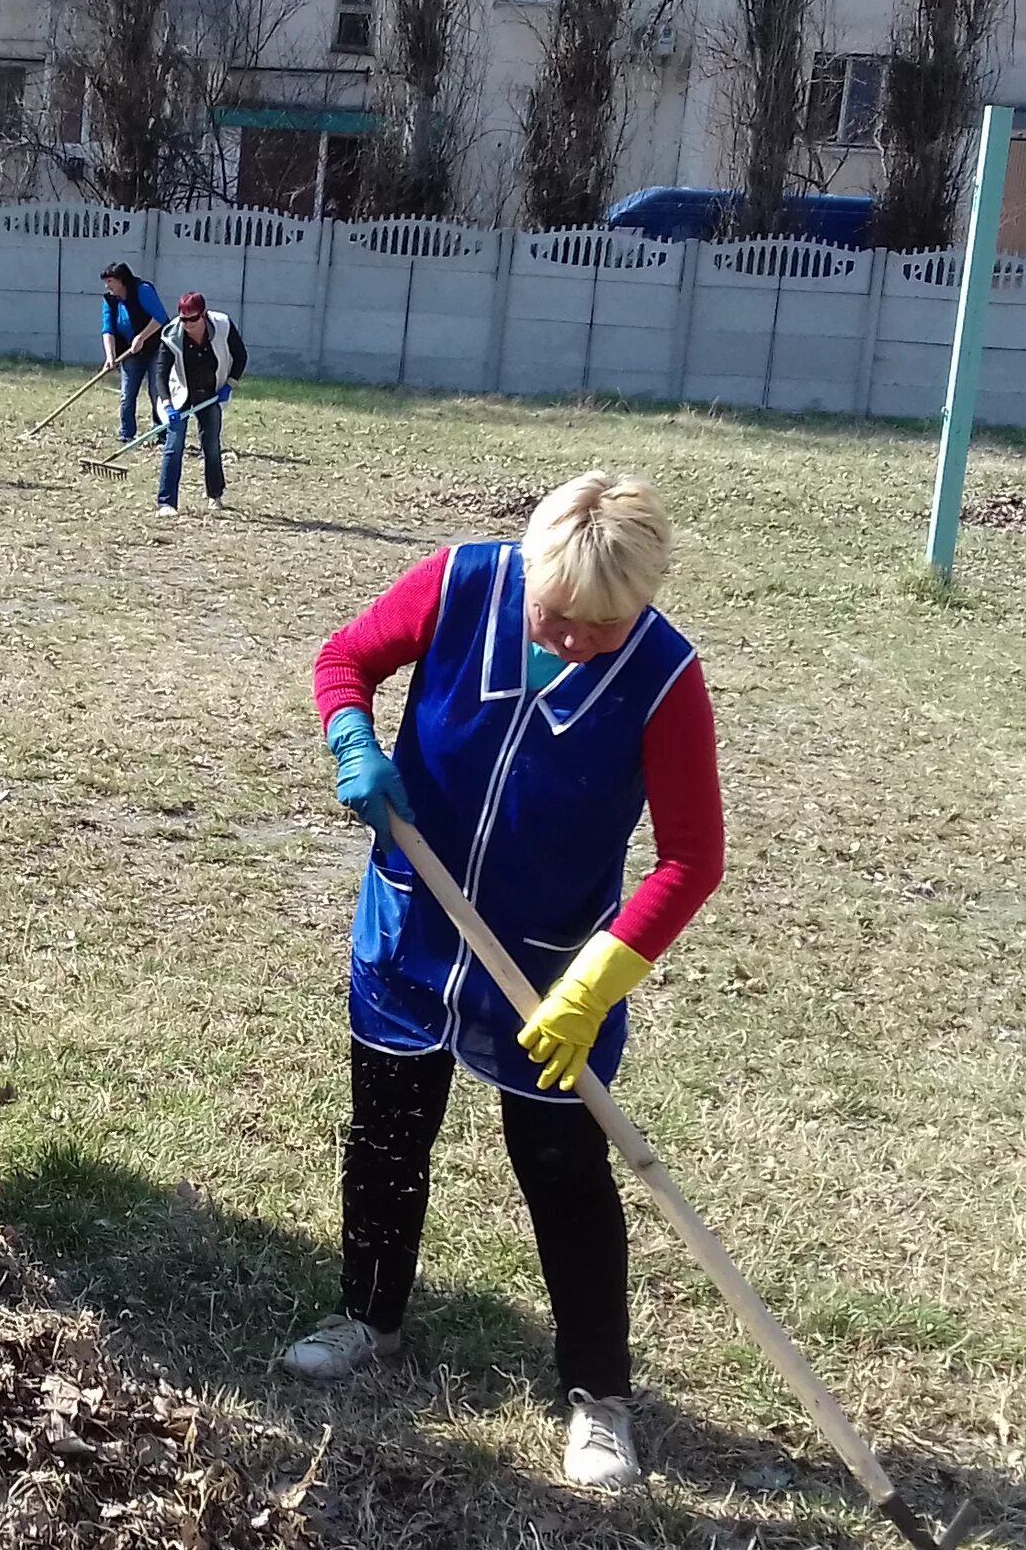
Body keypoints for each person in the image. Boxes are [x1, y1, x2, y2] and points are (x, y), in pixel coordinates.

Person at [284, 472, 725, 1497]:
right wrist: (352, 736)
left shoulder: (663, 675)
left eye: (599, 629)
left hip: (550, 965)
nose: (573, 640)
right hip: (412, 931)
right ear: (530, 574)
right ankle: (371, 1316)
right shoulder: (461, 582)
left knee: (563, 1173)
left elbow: (690, 857)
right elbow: (346, 658)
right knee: (388, 1132)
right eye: (556, 617)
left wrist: (598, 981)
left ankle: (599, 1395)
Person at [153, 291, 246, 518]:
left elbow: (240, 355)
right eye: (183, 319)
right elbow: (161, 374)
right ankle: (166, 503)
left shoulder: (223, 325)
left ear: (203, 315)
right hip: (180, 395)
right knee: (173, 448)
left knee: (211, 445)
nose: (187, 325)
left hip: (212, 393)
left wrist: (229, 385)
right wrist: (167, 405)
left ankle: (215, 495)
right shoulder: (172, 335)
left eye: (192, 319)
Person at [95, 262, 170, 444]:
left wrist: (142, 337)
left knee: (157, 392)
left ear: (122, 280)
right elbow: (108, 330)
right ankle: (127, 433)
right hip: (129, 353)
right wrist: (110, 356)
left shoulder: (142, 290)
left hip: (156, 349)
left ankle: (161, 432)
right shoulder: (110, 300)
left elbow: (161, 317)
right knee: (127, 394)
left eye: (110, 281)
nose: (108, 286)